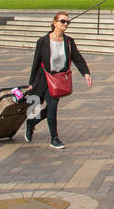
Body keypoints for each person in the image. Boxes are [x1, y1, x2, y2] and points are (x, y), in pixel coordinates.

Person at [26, 11, 93, 149]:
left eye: (68, 22)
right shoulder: (43, 41)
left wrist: (85, 73)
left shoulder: (69, 42)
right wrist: (31, 83)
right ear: (55, 23)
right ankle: (31, 123)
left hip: (57, 79)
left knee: (52, 106)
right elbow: (36, 62)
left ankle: (54, 138)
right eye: (63, 21)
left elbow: (77, 58)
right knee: (36, 108)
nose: (65, 24)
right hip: (42, 78)